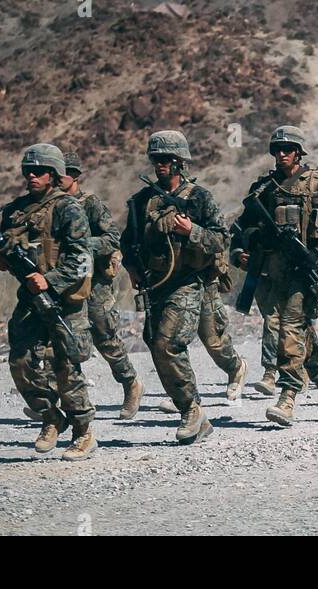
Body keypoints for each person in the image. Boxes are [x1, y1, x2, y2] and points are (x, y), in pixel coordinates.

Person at [231, 126, 318, 425]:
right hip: (273, 273)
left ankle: (288, 395)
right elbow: (239, 228)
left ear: (299, 152)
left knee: (290, 328)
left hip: (306, 270)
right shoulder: (265, 189)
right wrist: (240, 252)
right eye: (277, 150)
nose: (281, 154)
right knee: (300, 332)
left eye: (287, 149)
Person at [0, 143, 98, 460]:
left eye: (39, 171)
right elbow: (1, 252)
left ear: (54, 175)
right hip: (30, 300)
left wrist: (49, 280)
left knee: (67, 367)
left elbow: (82, 259)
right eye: (29, 171)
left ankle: (83, 432)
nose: (32, 176)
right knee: (20, 362)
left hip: (64, 300)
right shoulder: (16, 210)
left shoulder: (68, 208)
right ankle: (51, 417)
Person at [122, 131, 228, 443]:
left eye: (166, 159)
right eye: (156, 159)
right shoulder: (141, 202)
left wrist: (192, 230)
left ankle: (191, 409)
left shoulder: (199, 198)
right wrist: (131, 270)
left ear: (180, 162)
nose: (160, 165)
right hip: (155, 286)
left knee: (169, 343)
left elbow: (221, 239)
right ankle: (193, 412)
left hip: (188, 283)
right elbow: (127, 242)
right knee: (156, 344)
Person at [60, 151, 144, 419]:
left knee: (104, 336)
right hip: (64, 282)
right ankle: (71, 400)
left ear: (74, 176)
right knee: (64, 337)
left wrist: (83, 246)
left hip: (94, 281)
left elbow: (112, 238)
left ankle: (131, 383)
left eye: (63, 173)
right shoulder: (52, 207)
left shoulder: (91, 204)